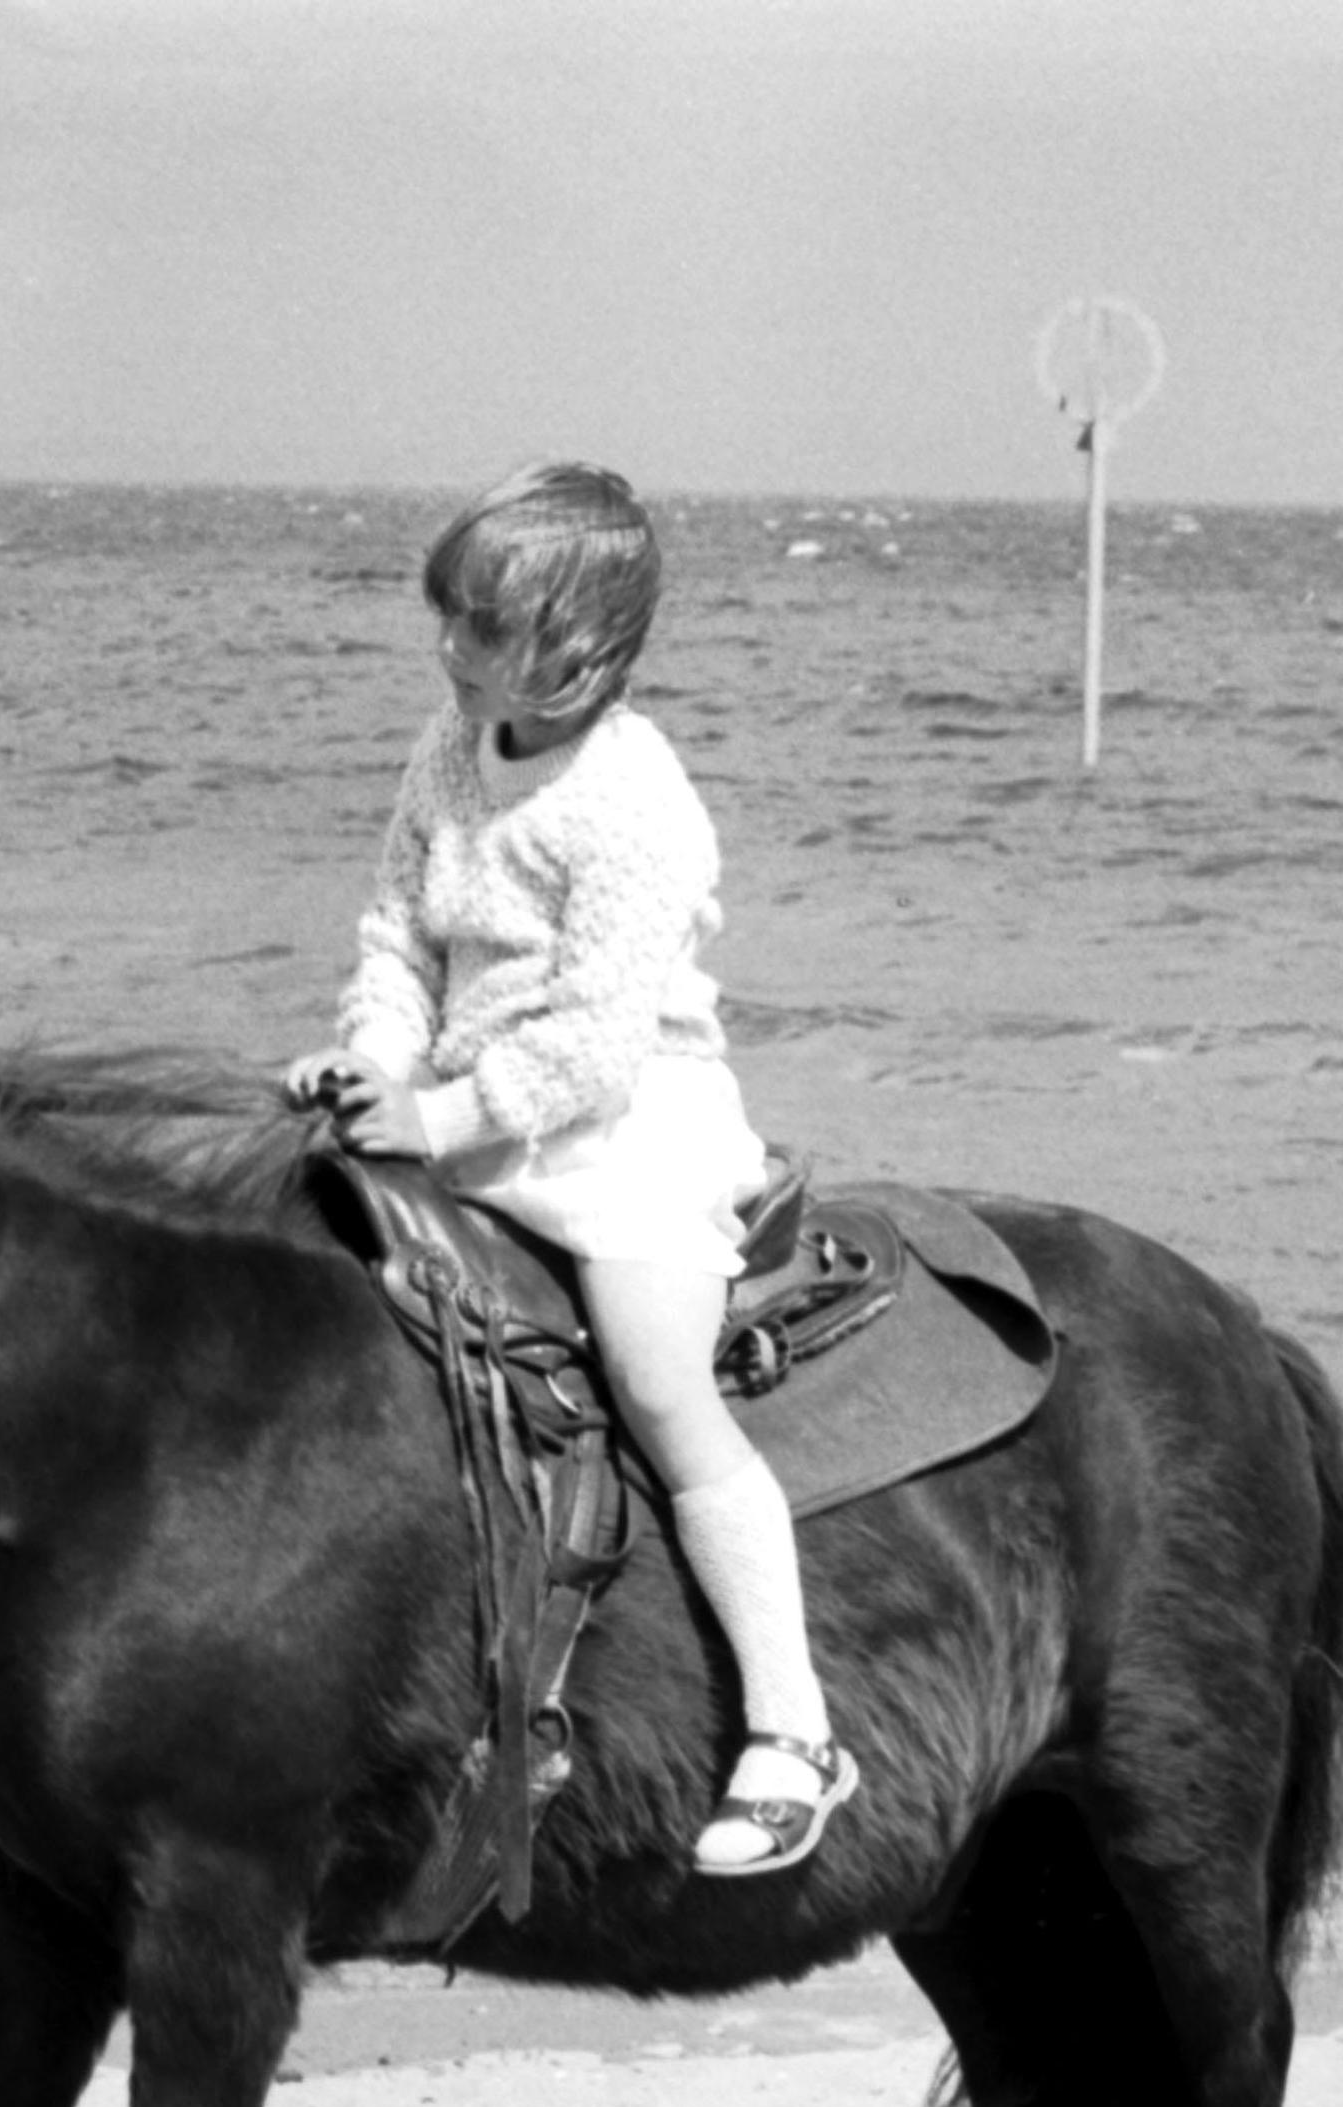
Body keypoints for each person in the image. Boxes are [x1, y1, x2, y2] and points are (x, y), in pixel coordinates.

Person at [282, 461, 859, 1876]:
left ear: (574, 651)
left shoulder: (635, 800)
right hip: (464, 1104)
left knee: (659, 1381)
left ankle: (794, 1729)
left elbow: (598, 1043)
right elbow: (398, 935)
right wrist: (382, 1068)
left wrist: (445, 1115)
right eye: (451, 619)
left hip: (618, 1129)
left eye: (478, 627)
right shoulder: (451, 744)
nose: (448, 648)